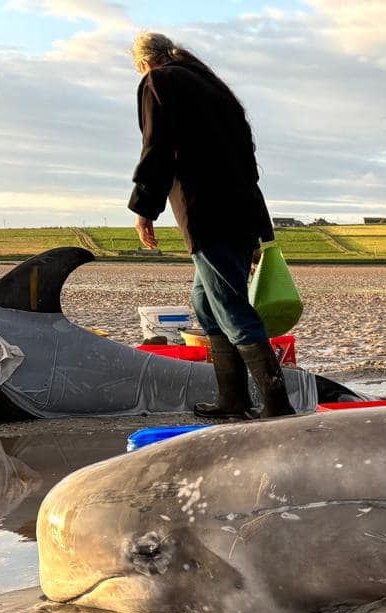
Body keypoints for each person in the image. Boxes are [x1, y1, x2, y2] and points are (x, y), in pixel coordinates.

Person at [127, 32, 293, 418]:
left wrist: (144, 207)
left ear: (142, 63)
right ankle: (232, 399)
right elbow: (247, 165)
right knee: (206, 302)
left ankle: (276, 403)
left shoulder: (158, 81)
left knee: (230, 306)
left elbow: (157, 148)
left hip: (207, 210)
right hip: (239, 208)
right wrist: (259, 229)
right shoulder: (216, 91)